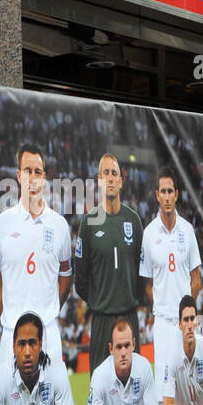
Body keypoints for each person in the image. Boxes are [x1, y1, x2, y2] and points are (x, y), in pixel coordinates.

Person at [0, 143, 72, 372]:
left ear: (44, 177)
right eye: (27, 171)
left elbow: (66, 275)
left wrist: (53, 308)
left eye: (38, 172)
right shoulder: (0, 224)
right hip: (11, 332)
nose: (33, 177)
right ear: (18, 175)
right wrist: (6, 312)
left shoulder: (60, 225)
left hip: (48, 333)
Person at [75, 153, 144, 374]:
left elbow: (142, 272)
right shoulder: (89, 222)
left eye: (114, 173)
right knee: (100, 391)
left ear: (121, 181)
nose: (111, 178)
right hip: (102, 319)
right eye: (106, 173)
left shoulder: (133, 220)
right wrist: (100, 301)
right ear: (99, 180)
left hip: (129, 316)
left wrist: (130, 299)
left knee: (134, 389)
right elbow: (81, 279)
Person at [139, 168, 201, 386]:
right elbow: (146, 284)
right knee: (164, 389)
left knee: (190, 384)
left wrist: (187, 312)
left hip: (186, 323)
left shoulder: (188, 230)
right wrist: (162, 307)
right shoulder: (148, 234)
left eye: (170, 191)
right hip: (163, 323)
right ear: (157, 195)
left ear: (176, 194)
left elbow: (197, 278)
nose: (166, 196)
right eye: (162, 192)